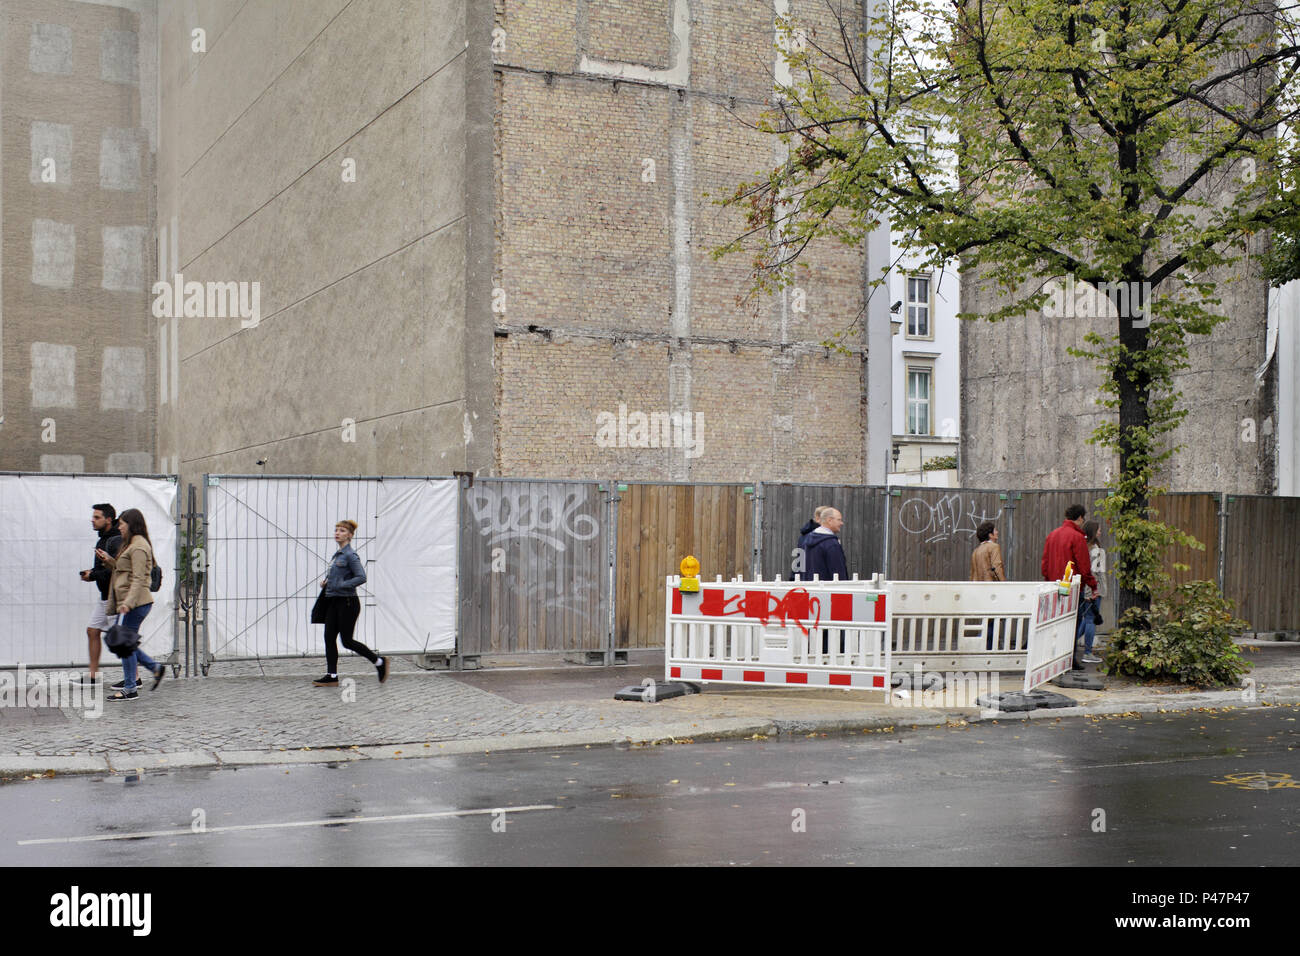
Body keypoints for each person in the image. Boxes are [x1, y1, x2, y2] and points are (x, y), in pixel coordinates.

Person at [100, 508, 165, 701]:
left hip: (135, 603)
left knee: (124, 644)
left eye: (121, 523)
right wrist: (109, 561)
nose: (118, 527)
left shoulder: (138, 547)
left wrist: (127, 603)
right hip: (132, 602)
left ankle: (131, 687)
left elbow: (139, 579)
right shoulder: (132, 544)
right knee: (125, 644)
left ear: (131, 524)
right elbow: (124, 570)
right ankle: (152, 669)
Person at [313, 519, 388, 686]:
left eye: (341, 530)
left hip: (348, 603)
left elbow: (361, 577)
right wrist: (327, 582)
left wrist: (340, 585)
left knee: (347, 641)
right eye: (336, 530)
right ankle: (332, 676)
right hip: (333, 601)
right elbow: (339, 575)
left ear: (350, 535)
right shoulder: (337, 555)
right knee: (329, 637)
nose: (337, 533)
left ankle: (379, 662)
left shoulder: (350, 555)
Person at [1040, 503, 1099, 670]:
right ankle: (1068, 659)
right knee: (1072, 622)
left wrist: (1049, 579)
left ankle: (1052, 656)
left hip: (1054, 585)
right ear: (1080, 518)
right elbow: (1084, 566)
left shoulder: (1052, 535)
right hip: (1072, 588)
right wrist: (1093, 586)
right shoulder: (1077, 537)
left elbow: (1045, 564)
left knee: (1054, 622)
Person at [77, 503, 122, 687]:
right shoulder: (103, 539)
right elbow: (102, 568)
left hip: (115, 597)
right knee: (93, 631)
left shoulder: (116, 540)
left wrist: (93, 575)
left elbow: (117, 570)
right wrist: (92, 573)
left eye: (97, 517)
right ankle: (93, 676)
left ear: (108, 519)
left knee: (120, 640)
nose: (92, 520)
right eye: (93, 517)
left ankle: (135, 677)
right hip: (105, 595)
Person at [805, 508, 849, 654]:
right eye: (839, 519)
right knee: (833, 629)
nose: (842, 523)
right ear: (829, 520)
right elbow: (838, 572)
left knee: (817, 627)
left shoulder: (809, 540)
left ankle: (816, 654)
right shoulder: (831, 544)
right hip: (831, 594)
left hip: (813, 590)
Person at [970, 520, 1005, 649]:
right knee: (996, 619)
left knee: (987, 620)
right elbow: (997, 567)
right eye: (995, 530)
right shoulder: (994, 547)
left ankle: (984, 645)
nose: (997, 532)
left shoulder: (976, 551)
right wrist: (1004, 585)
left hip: (981, 590)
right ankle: (990, 647)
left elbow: (973, 574)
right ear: (990, 535)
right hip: (993, 589)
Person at [1079, 520, 1107, 663]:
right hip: (1094, 589)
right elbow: (1095, 573)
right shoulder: (1096, 550)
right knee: (1090, 620)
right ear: (1092, 532)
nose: (1100, 532)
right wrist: (1093, 592)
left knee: (1085, 618)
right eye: (1098, 530)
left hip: (1084, 588)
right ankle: (1088, 653)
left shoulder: (1082, 547)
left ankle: (1069, 645)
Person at [795, 505, 828, 579]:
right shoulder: (818, 536)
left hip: (803, 577)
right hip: (816, 578)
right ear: (818, 518)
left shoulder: (803, 536)